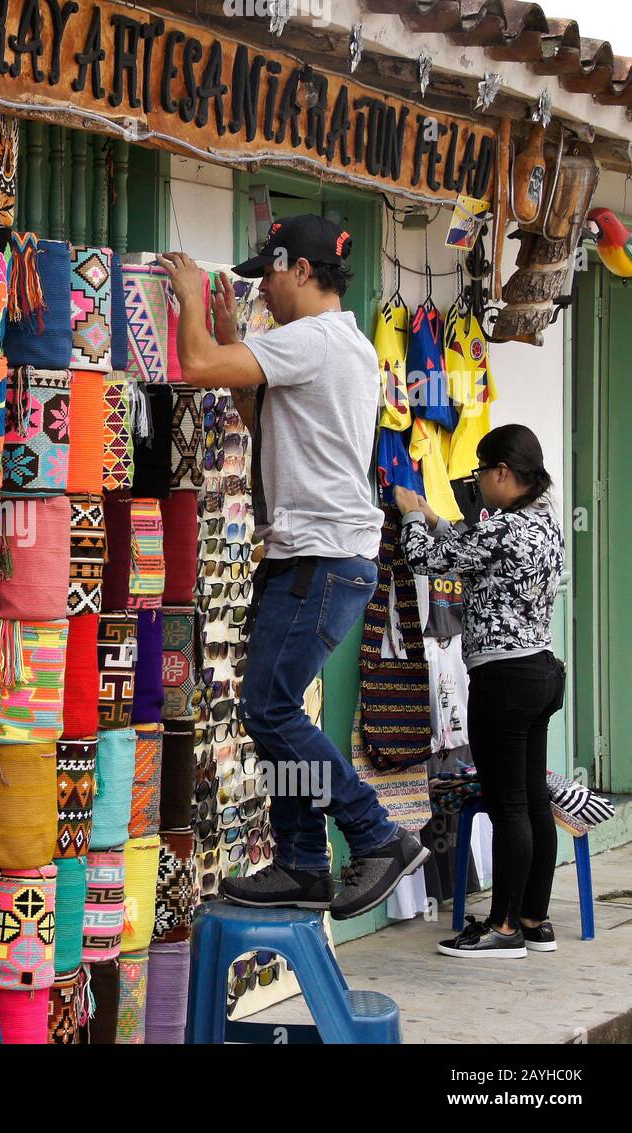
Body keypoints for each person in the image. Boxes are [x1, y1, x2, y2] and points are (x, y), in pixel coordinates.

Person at [159, 213, 428, 921]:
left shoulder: (309, 339)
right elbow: (258, 410)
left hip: (319, 556)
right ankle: (303, 860)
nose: (265, 291)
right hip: (317, 556)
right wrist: (230, 339)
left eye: (270, 275)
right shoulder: (344, 345)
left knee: (269, 708)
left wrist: (190, 302)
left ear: (302, 271)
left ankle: (376, 834)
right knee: (277, 710)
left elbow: (197, 369)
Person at [396, 424, 565, 959]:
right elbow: (473, 547)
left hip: (505, 680)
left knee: (508, 803)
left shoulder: (507, 528)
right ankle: (535, 919)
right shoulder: (544, 524)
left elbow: (426, 561)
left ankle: (504, 927)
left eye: (479, 474)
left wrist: (406, 515)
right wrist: (436, 518)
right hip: (539, 671)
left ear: (502, 473)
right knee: (533, 800)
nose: (478, 486)